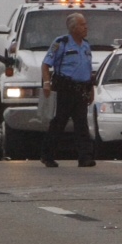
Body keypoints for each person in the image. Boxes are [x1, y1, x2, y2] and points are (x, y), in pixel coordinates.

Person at [42, 12, 96, 167]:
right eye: (82, 25)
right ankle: (47, 156)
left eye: (86, 24)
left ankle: (85, 157)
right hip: (65, 90)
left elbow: (87, 68)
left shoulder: (86, 45)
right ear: (73, 28)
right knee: (58, 124)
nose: (86, 27)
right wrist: (46, 83)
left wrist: (91, 88)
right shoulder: (61, 43)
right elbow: (46, 64)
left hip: (81, 90)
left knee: (82, 125)